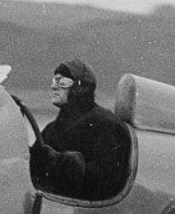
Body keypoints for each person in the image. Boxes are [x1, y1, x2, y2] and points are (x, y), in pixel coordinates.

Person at [28, 60, 131, 201]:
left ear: (80, 87)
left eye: (61, 82)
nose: (53, 86)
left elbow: (107, 182)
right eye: (54, 80)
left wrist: (66, 163)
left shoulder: (107, 124)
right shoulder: (52, 129)